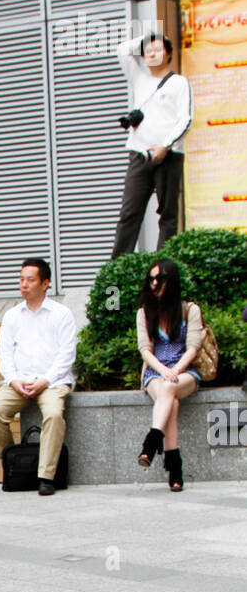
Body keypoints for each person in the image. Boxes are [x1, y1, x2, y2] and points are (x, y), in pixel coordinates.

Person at [0, 258, 76, 495]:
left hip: (52, 382)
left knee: (54, 415)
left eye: (30, 280)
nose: (24, 284)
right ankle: (12, 468)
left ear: (45, 283)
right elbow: (4, 352)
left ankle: (46, 476)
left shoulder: (62, 314)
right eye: (21, 279)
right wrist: (14, 379)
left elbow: (67, 354)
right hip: (19, 381)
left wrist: (45, 380)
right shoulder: (12, 315)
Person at [111, 32, 193, 258]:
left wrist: (165, 145)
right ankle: (116, 271)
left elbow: (185, 119)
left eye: (157, 50)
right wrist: (148, 38)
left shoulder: (179, 83)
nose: (151, 54)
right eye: (148, 51)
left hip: (169, 155)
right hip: (139, 154)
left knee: (168, 215)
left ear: (168, 54)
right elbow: (122, 50)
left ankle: (163, 267)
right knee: (129, 213)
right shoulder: (139, 79)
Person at [135, 257, 201, 491]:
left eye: (159, 279)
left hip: (185, 372)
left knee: (170, 387)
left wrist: (175, 370)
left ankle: (151, 442)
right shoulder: (144, 313)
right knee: (169, 400)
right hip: (155, 372)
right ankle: (175, 468)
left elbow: (193, 347)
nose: (154, 284)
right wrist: (163, 370)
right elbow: (145, 349)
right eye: (151, 279)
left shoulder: (189, 310)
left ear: (170, 281)